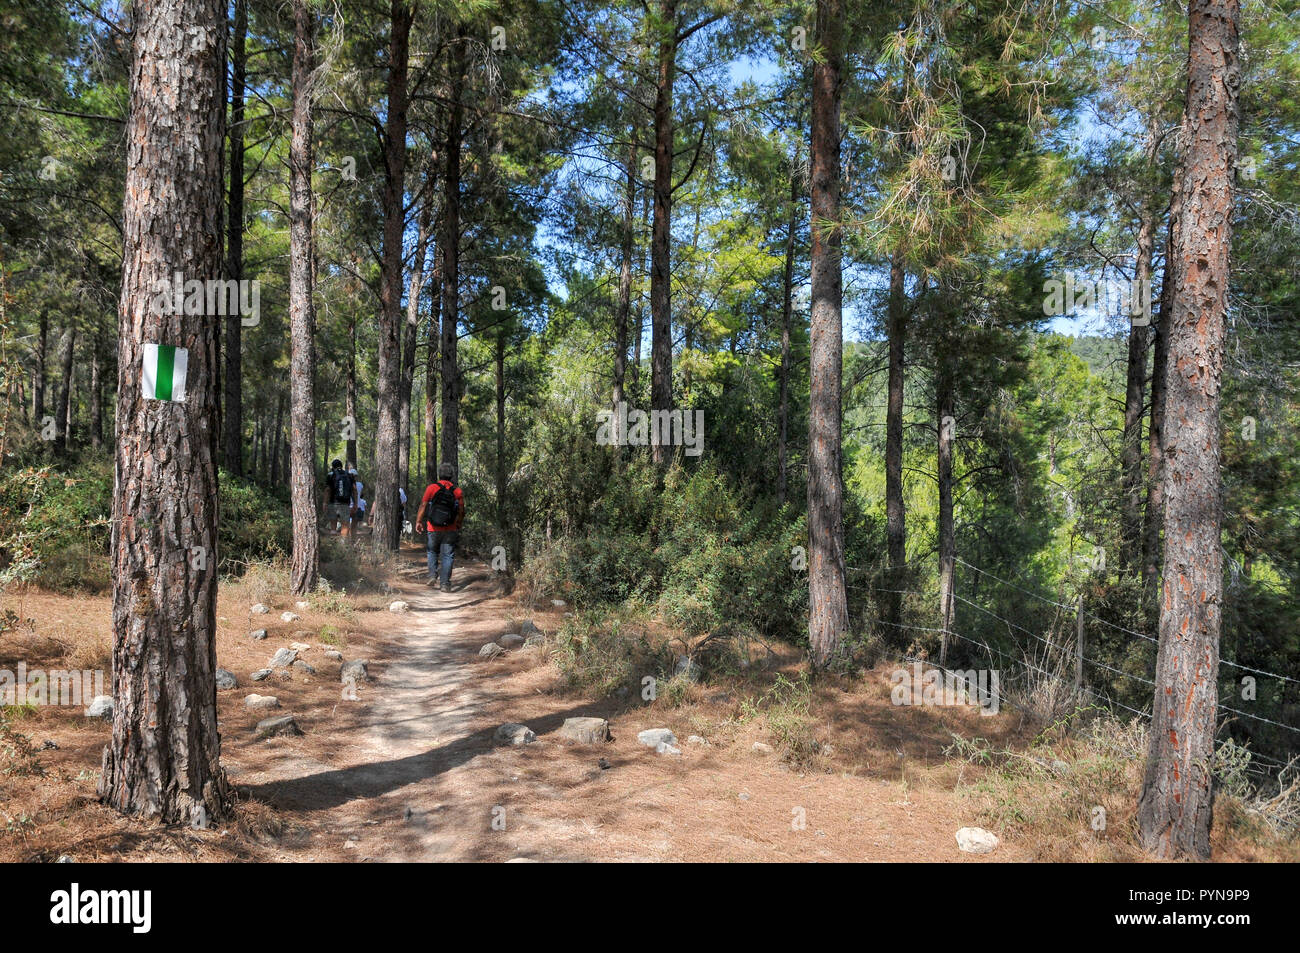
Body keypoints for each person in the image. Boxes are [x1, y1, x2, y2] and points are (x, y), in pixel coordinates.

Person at [416, 463, 464, 591]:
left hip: (433, 527)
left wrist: (419, 521)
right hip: (450, 528)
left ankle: (432, 575)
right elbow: (461, 510)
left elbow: (423, 505)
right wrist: (458, 523)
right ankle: (444, 584)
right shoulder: (457, 491)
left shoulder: (432, 488)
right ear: (451, 476)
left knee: (432, 551)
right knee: (447, 555)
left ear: (439, 474)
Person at [322, 459, 357, 536]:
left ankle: (333, 543)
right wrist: (355, 504)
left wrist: (324, 503)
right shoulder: (349, 475)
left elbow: (327, 490)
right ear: (341, 466)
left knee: (333, 526)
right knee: (345, 526)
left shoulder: (331, 475)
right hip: (345, 504)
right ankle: (343, 544)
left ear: (333, 467)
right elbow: (354, 489)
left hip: (333, 504)